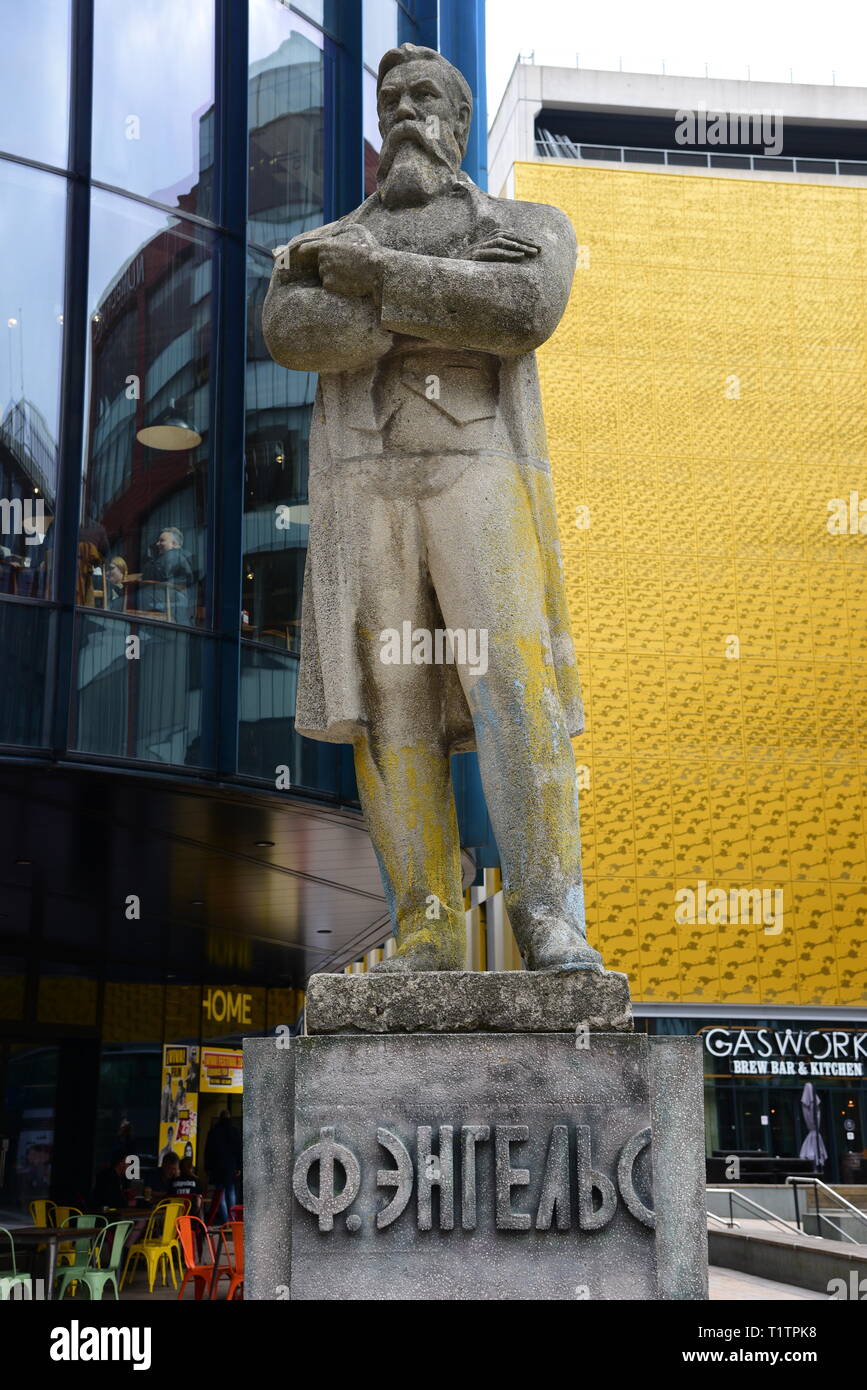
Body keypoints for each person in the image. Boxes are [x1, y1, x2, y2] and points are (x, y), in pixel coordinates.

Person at [262, 43, 602, 975]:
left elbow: (523, 307)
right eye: (391, 101)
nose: (405, 113)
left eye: (425, 98)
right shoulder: (318, 247)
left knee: (515, 693)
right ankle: (424, 924)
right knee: (391, 704)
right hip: (366, 486)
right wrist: (448, 290)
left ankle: (548, 916)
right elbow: (298, 331)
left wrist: (370, 280)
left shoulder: (528, 223)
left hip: (476, 470)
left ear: (456, 121)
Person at [138, 527, 194, 623]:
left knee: (127, 600)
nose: (157, 544)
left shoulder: (173, 555)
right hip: (174, 605)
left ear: (174, 544)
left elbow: (154, 575)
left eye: (162, 541)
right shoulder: (178, 556)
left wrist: (150, 560)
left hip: (168, 603)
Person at [204, 1112, 241, 1225]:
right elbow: (239, 1150)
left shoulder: (214, 1132)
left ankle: (225, 1220)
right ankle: (233, 1219)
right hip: (231, 1167)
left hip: (217, 1168)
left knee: (220, 1194)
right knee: (231, 1192)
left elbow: (208, 1152)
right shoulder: (234, 1131)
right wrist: (238, 1167)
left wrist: (208, 1168)